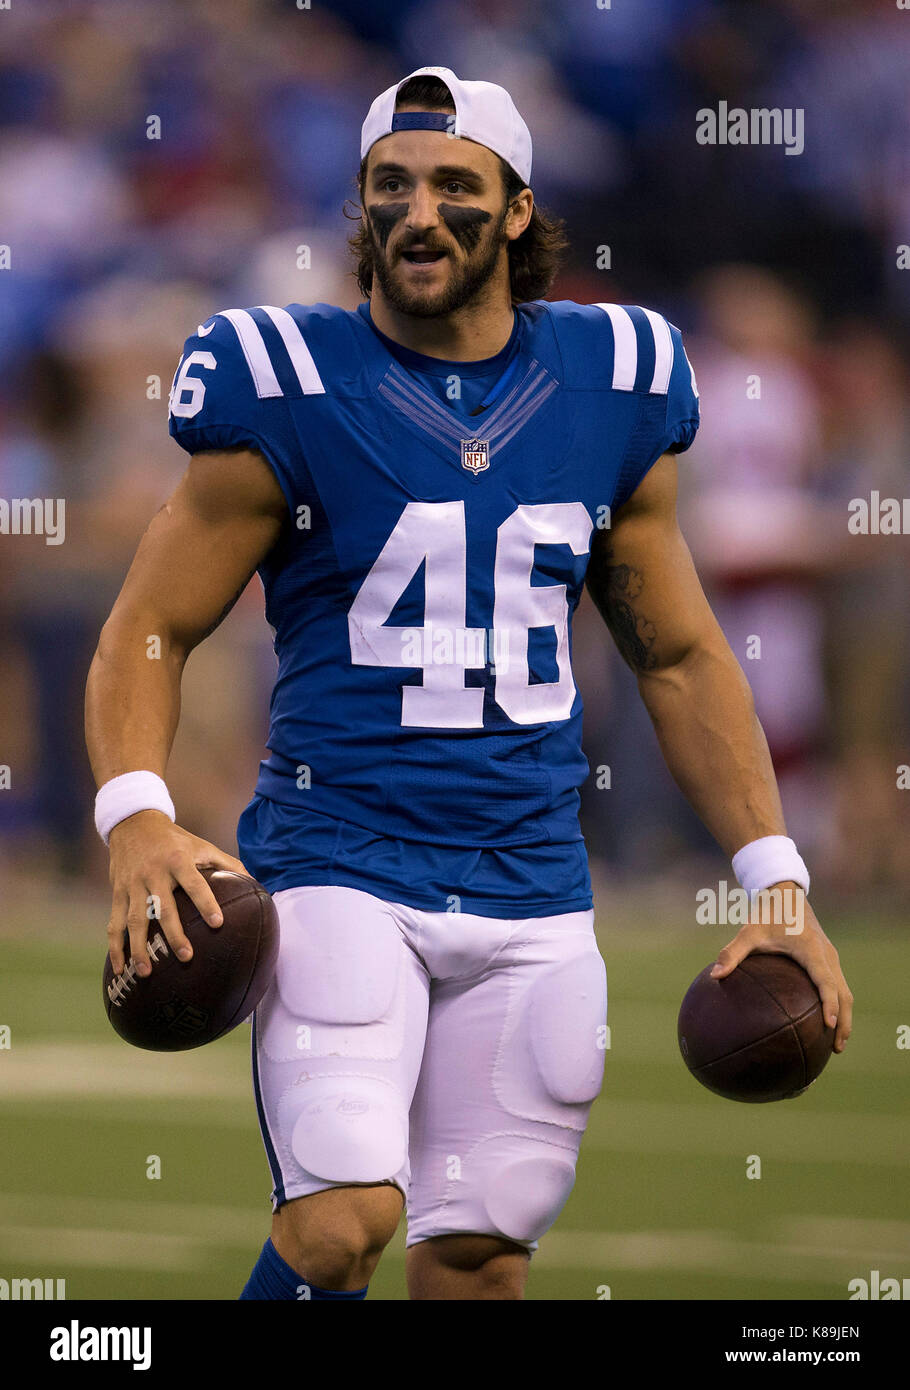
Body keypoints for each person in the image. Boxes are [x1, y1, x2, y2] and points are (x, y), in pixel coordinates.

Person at [85, 66, 853, 1302]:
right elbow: (150, 627)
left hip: (533, 881)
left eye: (453, 183)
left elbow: (676, 653)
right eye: (389, 184)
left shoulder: (613, 378)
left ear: (516, 209)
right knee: (340, 1221)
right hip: (341, 858)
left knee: (480, 1264)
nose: (417, 211)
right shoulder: (285, 378)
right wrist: (136, 816)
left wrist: (776, 878)